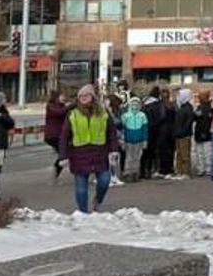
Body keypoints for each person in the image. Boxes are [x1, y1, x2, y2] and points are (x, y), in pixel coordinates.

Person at [58, 84, 119, 213]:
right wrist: (63, 156)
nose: (83, 98)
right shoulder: (72, 114)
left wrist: (114, 150)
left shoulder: (103, 113)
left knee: (104, 181)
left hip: (100, 153)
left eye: (86, 95)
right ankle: (83, 213)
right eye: (80, 96)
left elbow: (112, 132)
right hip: (79, 155)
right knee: (81, 189)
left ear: (93, 96)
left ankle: (98, 200)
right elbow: (64, 136)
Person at [121, 97, 149, 182]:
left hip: (139, 140)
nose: (135, 105)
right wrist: (123, 140)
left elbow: (145, 129)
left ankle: (135, 173)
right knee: (129, 157)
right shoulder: (125, 116)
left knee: (137, 157)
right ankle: (127, 173)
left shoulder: (142, 115)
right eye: (133, 103)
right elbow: (123, 130)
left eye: (137, 104)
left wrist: (145, 140)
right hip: (128, 140)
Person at [44, 90, 68, 182]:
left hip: (60, 135)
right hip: (53, 135)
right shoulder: (51, 106)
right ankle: (54, 173)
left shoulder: (63, 106)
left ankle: (55, 173)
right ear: (57, 97)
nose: (64, 98)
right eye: (62, 96)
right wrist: (71, 106)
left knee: (64, 154)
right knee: (64, 154)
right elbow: (60, 112)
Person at [173, 88, 195, 179]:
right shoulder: (181, 107)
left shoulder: (188, 108)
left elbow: (188, 122)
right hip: (178, 134)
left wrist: (183, 131)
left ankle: (186, 172)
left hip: (184, 135)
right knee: (179, 154)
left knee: (185, 154)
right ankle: (179, 171)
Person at [192, 94, 213, 180]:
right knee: (205, 152)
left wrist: (203, 132)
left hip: (202, 132)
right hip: (205, 132)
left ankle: (203, 169)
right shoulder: (206, 108)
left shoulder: (203, 108)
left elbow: (202, 121)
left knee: (202, 152)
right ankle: (206, 168)